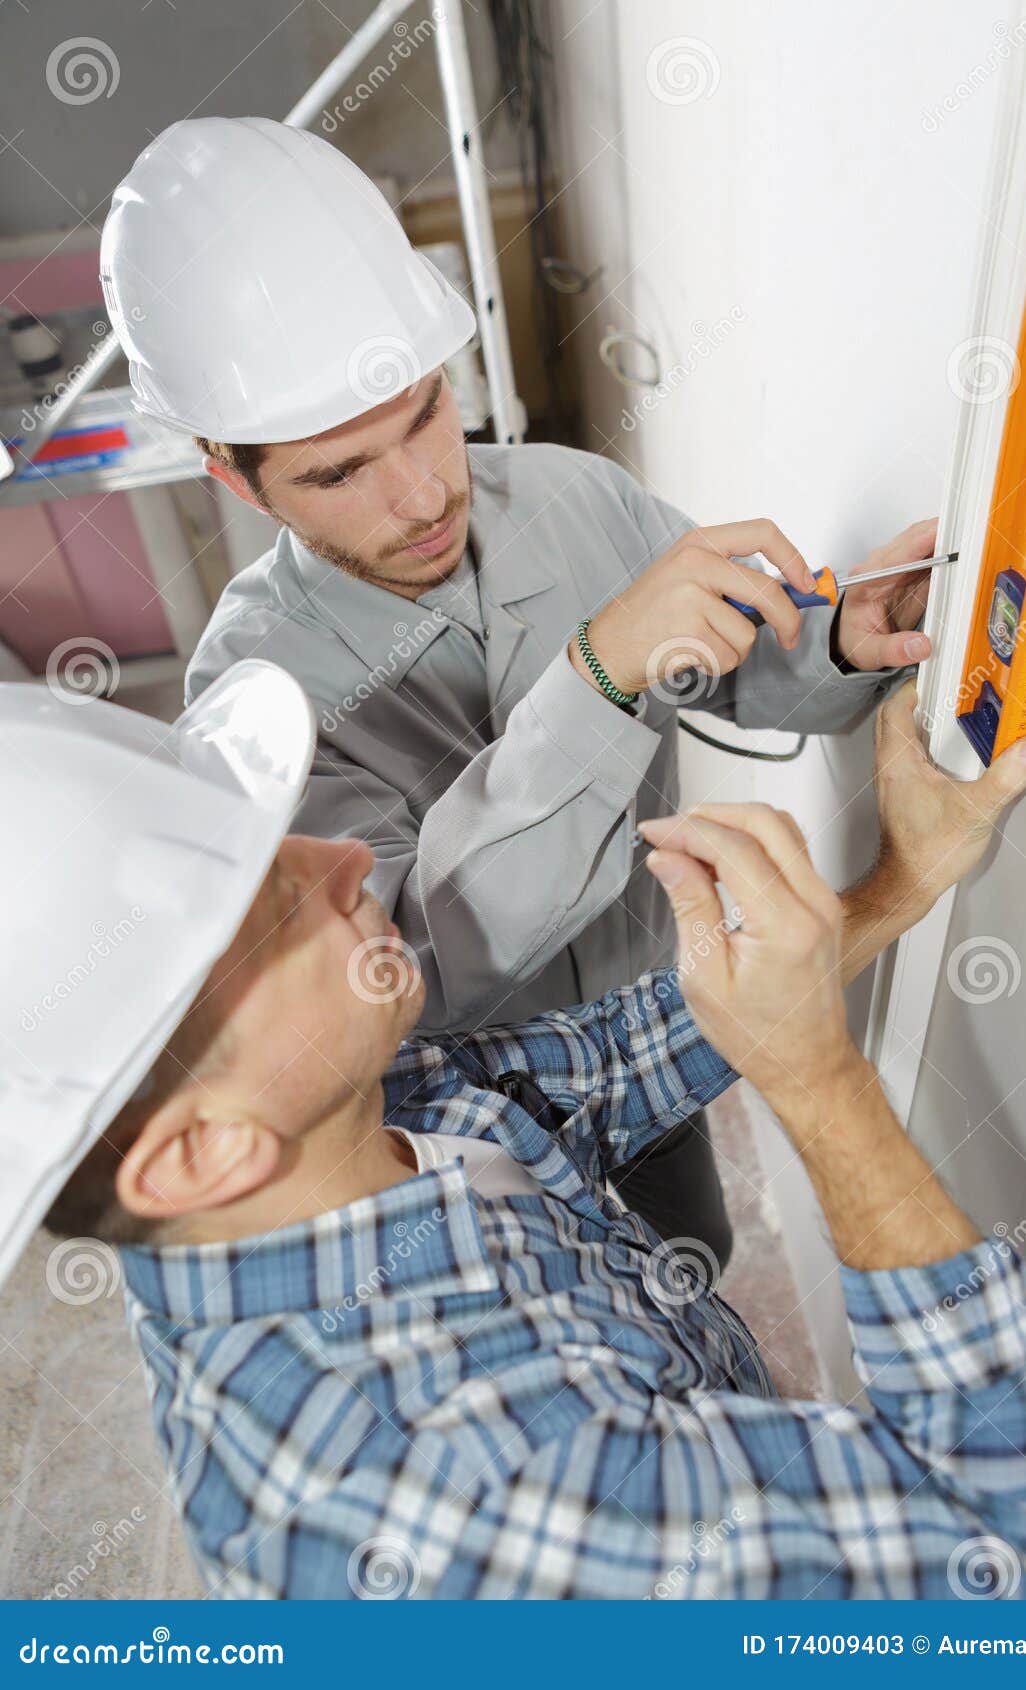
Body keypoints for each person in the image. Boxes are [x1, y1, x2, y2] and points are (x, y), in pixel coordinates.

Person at [6, 661, 1026, 1600]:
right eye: (279, 910)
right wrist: (820, 1082)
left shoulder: (323, 1119)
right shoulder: (464, 1491)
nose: (341, 857)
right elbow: (1014, 1556)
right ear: (199, 1152)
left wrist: (900, 879)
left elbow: (603, 1066)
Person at [101, 115, 941, 1269]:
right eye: (338, 472)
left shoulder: (573, 496)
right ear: (229, 475)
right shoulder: (253, 696)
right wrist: (595, 675)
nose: (418, 497)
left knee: (688, 1251)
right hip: (461, 1115)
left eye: (426, 413)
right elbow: (411, 963)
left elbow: (742, 674)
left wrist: (836, 641)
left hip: (659, 1036)